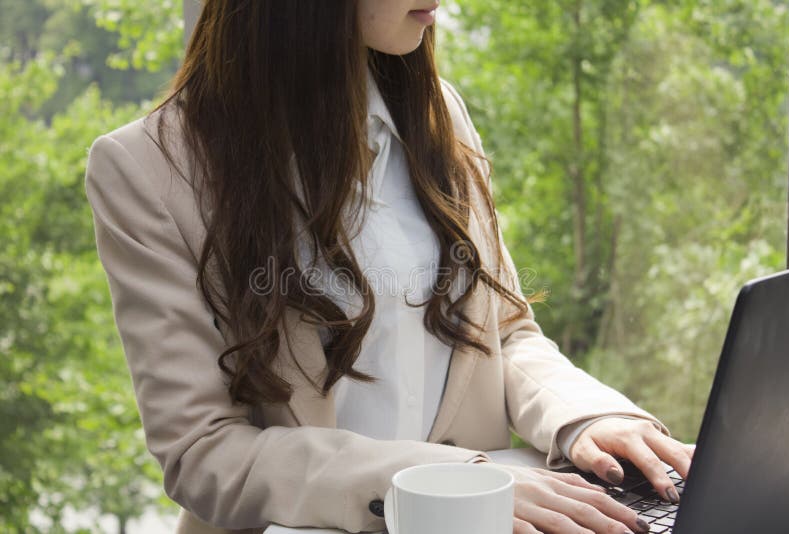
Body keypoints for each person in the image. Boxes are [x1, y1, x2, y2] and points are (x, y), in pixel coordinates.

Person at [83, 1, 694, 533]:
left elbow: (503, 333)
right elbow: (203, 451)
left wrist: (586, 416)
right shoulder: (146, 170)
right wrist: (445, 484)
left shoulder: (437, 112)